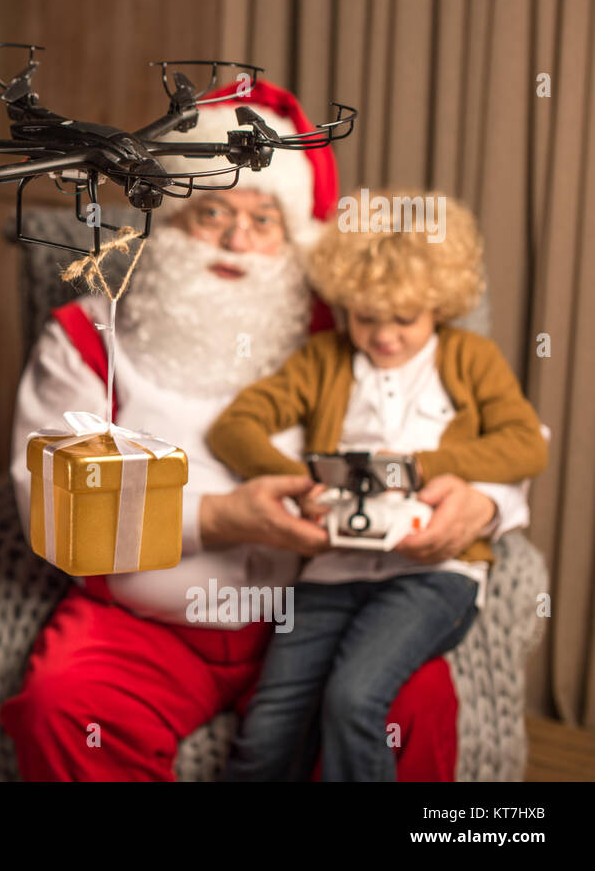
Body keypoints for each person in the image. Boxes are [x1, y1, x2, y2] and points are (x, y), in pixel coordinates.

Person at [0, 82, 530, 781]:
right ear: (173, 221)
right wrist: (219, 518)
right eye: (211, 210)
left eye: (263, 218)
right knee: (61, 705)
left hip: (319, 610)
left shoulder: (347, 332)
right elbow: (58, 506)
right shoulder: (87, 338)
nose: (237, 239)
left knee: (411, 704)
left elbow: (484, 423)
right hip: (145, 627)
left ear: (294, 238)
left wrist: (487, 500)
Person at [207, 191, 547, 780]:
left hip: (432, 576)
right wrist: (299, 483)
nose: (384, 336)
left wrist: (420, 467)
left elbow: (526, 444)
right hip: (330, 572)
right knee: (266, 733)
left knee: (354, 698)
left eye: (404, 318)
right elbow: (234, 427)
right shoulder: (324, 359)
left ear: (438, 305)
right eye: (367, 317)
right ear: (345, 306)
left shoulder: (471, 358)